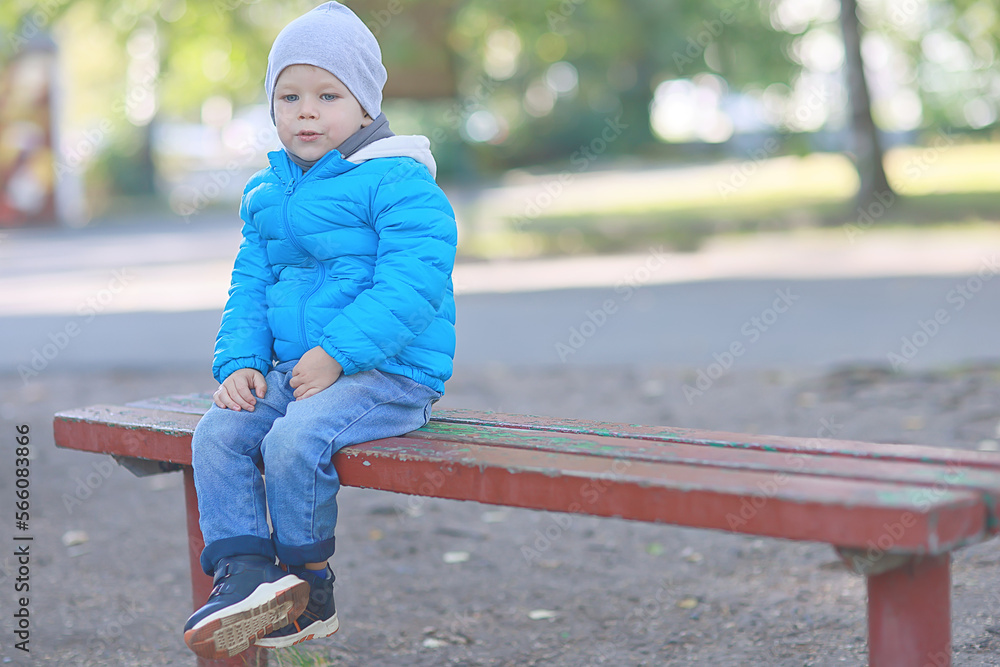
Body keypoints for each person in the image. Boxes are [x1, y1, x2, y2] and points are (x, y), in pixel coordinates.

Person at [181, 2, 457, 659]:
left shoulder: (398, 183)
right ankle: (246, 574)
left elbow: (411, 286)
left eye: (328, 95)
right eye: (290, 96)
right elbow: (250, 285)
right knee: (219, 432)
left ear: (364, 105)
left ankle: (309, 587)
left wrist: (337, 352)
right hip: (300, 370)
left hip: (388, 371)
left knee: (293, 439)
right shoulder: (267, 192)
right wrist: (241, 362)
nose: (306, 111)